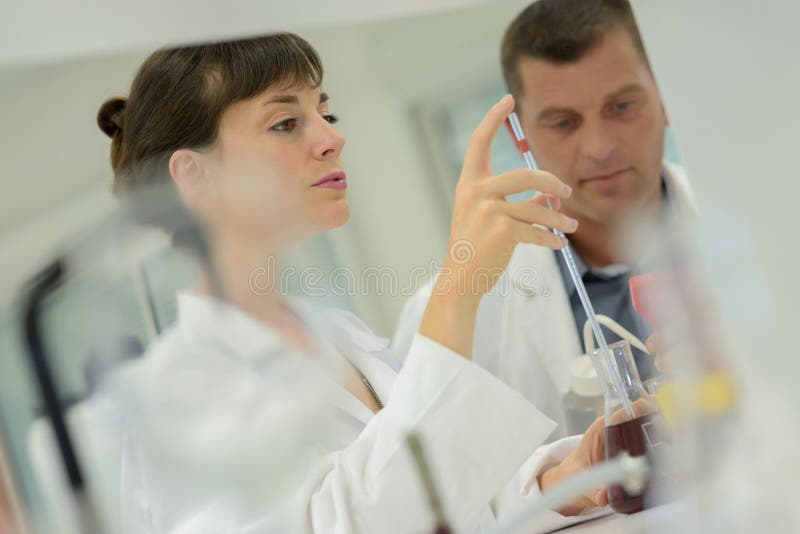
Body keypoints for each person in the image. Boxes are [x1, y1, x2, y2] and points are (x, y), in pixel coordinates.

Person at [91, 33, 620, 534]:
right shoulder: (179, 393)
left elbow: (430, 500)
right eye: (284, 123)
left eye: (326, 112)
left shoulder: (335, 334)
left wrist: (564, 479)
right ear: (194, 177)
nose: (332, 137)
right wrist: (461, 282)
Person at [392, 0, 696, 438]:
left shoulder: (774, 231)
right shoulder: (455, 314)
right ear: (522, 136)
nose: (599, 146)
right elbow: (423, 484)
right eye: (563, 122)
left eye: (622, 106)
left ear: (664, 95)